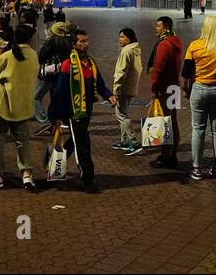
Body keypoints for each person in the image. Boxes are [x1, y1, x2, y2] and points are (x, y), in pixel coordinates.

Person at [49, 27, 115, 193]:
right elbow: (60, 92)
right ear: (74, 44)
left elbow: (99, 83)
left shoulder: (90, 62)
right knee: (83, 143)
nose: (86, 44)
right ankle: (87, 179)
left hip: (87, 110)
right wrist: (57, 115)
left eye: (87, 41)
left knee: (77, 138)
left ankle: (55, 160)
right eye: (82, 41)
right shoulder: (67, 65)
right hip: (74, 111)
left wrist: (108, 95)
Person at [0, 24, 39, 192]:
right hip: (24, 106)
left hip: (5, 105)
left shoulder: (7, 55)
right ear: (30, 39)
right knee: (23, 142)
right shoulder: (34, 55)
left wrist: (3, 77)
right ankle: (26, 174)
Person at [182, 15, 216, 180]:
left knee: (198, 130)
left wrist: (186, 89)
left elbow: (186, 72)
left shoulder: (194, 46)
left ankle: (196, 168)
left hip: (199, 88)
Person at [148, 15, 183, 169]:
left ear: (165, 27)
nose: (156, 28)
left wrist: (154, 88)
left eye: (158, 26)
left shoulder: (164, 45)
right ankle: (172, 153)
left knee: (164, 123)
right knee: (172, 121)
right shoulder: (176, 42)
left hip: (165, 88)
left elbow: (158, 68)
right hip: (175, 86)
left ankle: (166, 156)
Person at [112, 27, 144, 155]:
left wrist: (116, 89)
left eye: (123, 37)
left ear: (129, 38)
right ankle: (124, 140)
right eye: (119, 37)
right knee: (123, 112)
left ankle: (133, 141)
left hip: (123, 88)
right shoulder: (135, 50)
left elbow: (121, 72)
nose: (120, 39)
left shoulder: (126, 51)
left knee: (121, 115)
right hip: (131, 86)